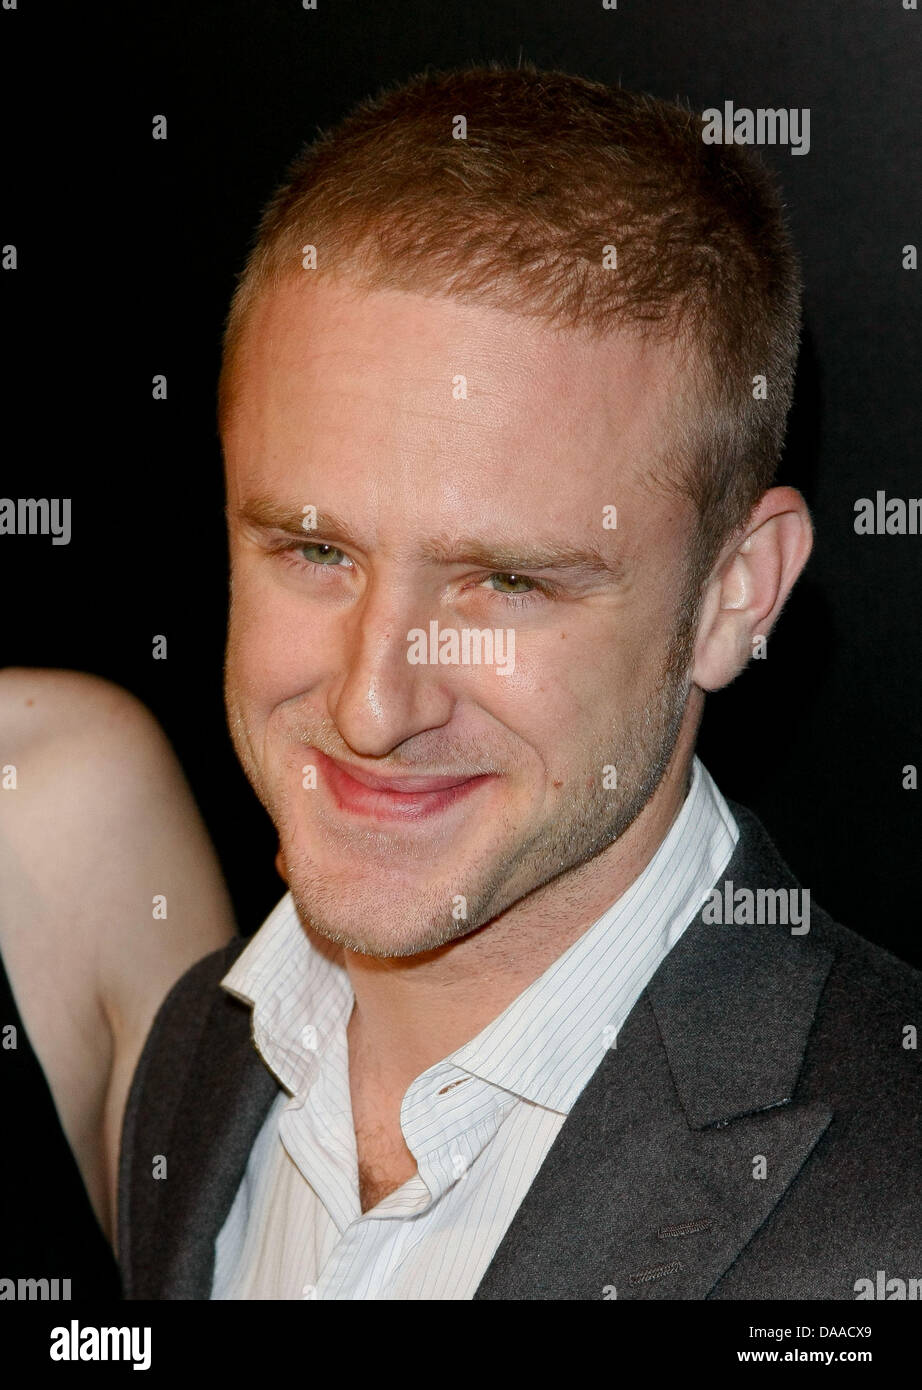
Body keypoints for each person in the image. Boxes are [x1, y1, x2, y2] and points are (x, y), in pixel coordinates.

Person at [5, 64, 920, 1301]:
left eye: (506, 581)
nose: (373, 706)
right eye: (314, 552)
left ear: (733, 596)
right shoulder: (201, 1055)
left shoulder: (890, 1217)